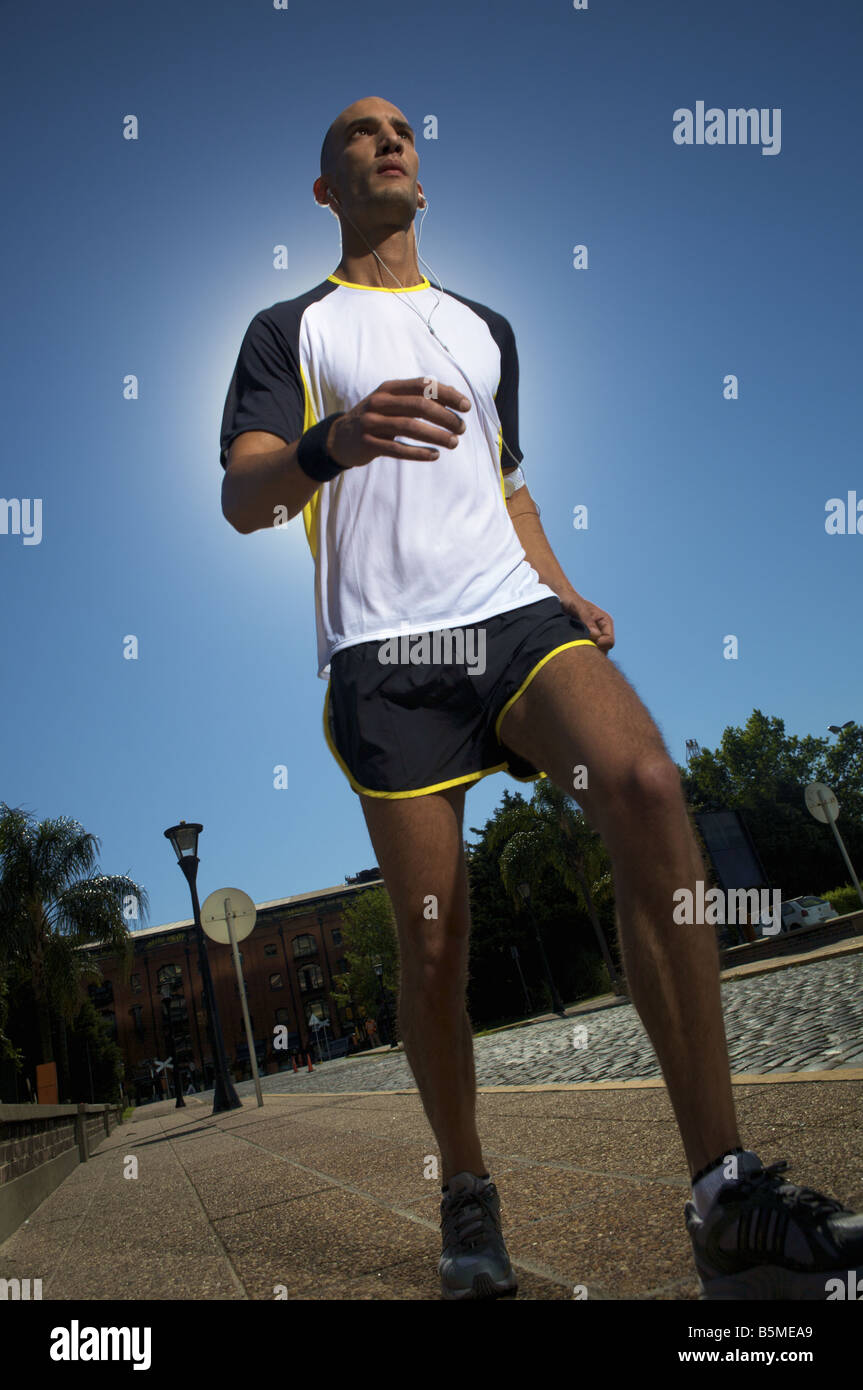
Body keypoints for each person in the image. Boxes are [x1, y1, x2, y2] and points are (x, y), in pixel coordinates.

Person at [219, 96, 863, 1300]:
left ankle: (723, 1195)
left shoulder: (486, 326)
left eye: (401, 127)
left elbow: (507, 484)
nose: (388, 139)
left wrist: (563, 590)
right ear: (325, 189)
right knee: (432, 936)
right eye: (359, 133)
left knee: (642, 782)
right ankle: (466, 1187)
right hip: (384, 650)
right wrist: (332, 442)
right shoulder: (287, 329)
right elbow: (243, 493)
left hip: (510, 620)